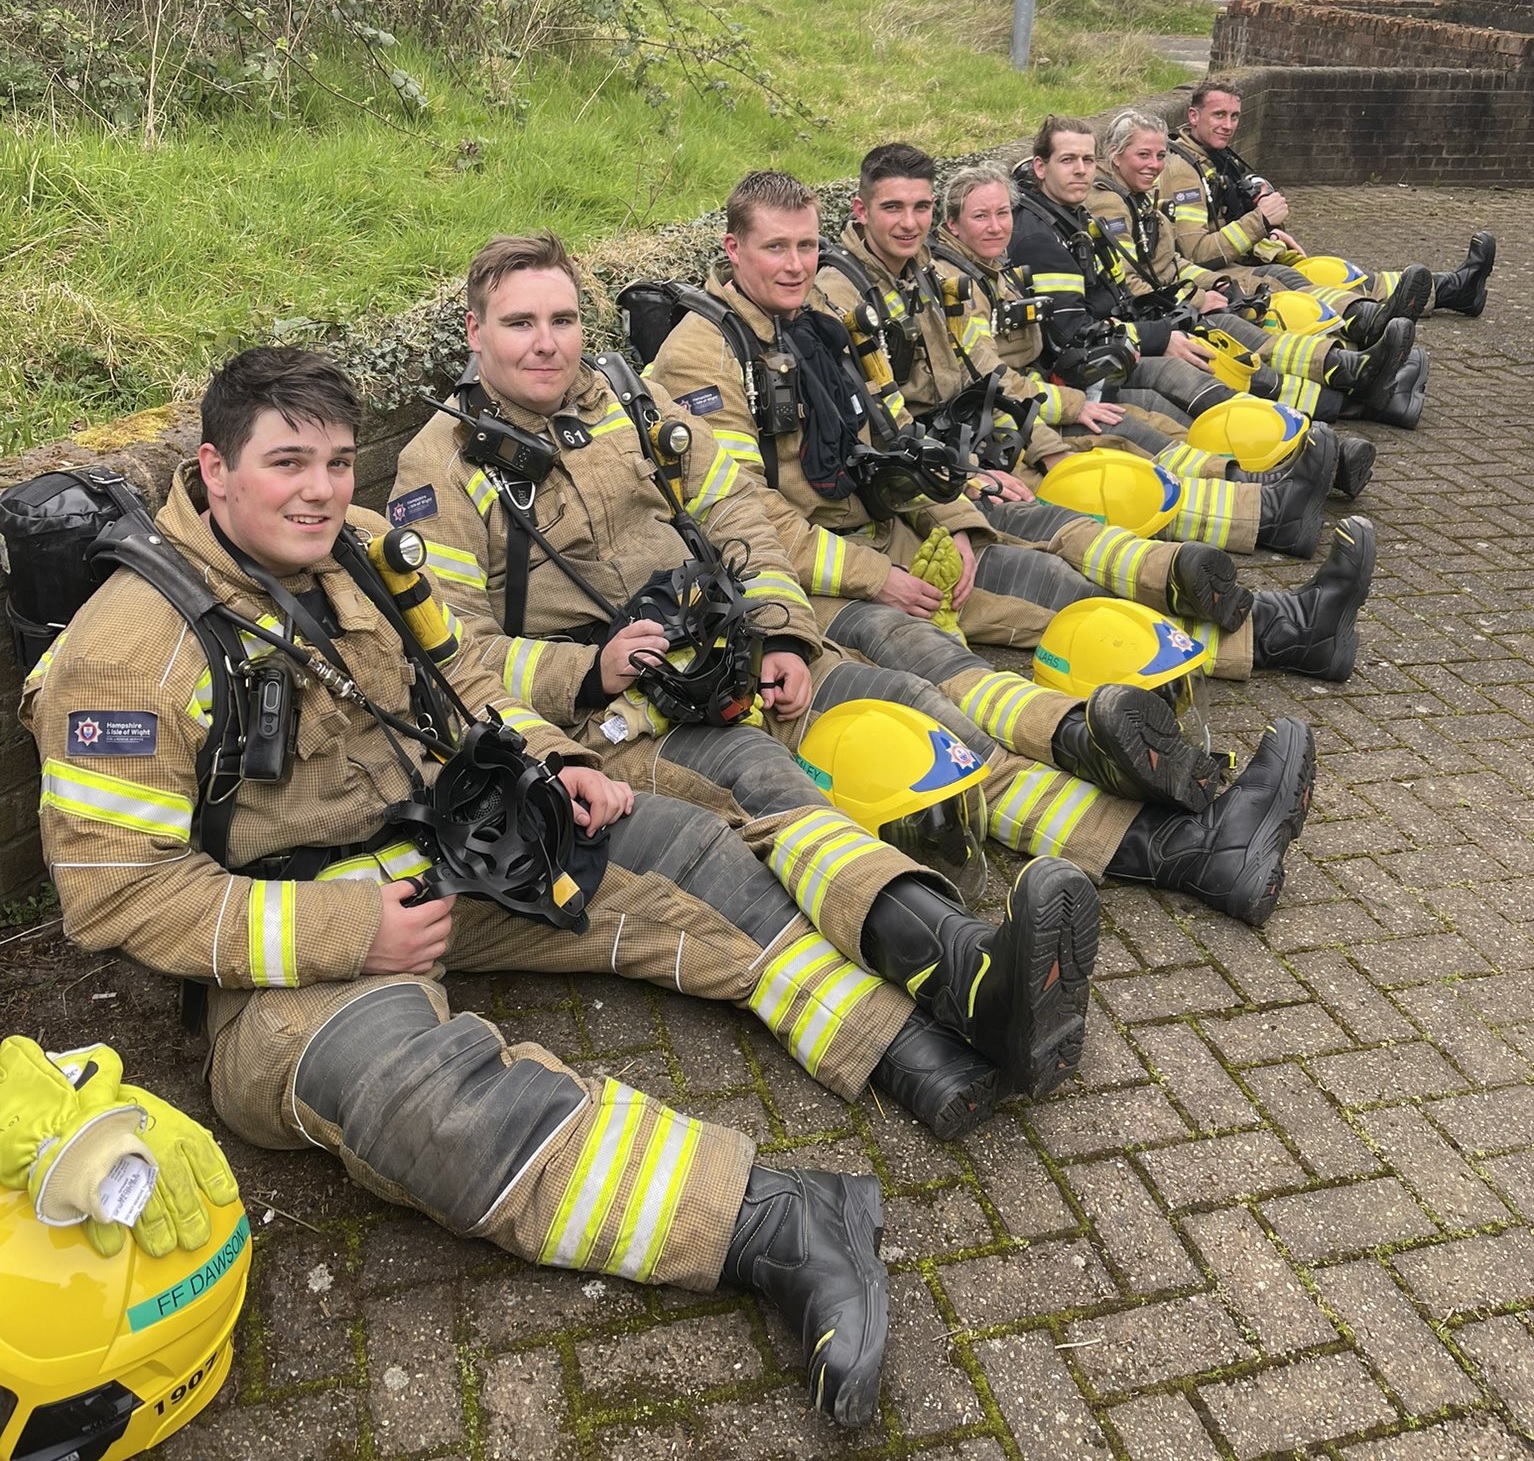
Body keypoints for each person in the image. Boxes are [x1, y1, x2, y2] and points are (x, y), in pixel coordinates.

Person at [22, 346, 1119, 1427]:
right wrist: (348, 931)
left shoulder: (365, 549)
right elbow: (120, 896)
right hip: (285, 939)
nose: (320, 492)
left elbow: (465, 680)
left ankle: (936, 1015)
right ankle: (779, 1224)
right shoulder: (124, 656)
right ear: (212, 472)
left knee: (688, 850)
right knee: (420, 1097)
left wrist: (553, 761)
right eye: (287, 464)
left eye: (337, 462)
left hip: (440, 846)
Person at [389, 230, 1317, 930]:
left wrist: (783, 630)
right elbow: (451, 649)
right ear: (475, 333)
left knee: (935, 718)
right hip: (619, 710)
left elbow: (736, 512)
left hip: (733, 649)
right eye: (520, 324)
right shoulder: (440, 465)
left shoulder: (632, 399)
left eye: (561, 320)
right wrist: (588, 674)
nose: (547, 344)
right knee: (780, 793)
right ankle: (958, 955)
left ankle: (1191, 847)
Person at [936, 158, 1374, 560]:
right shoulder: (966, 278)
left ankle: (1288, 471)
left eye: (1001, 214)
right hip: (1013, 418)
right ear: (952, 224)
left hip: (1044, 390)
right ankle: (1269, 505)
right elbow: (996, 378)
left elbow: (1137, 283)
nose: (996, 226)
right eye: (980, 216)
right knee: (1125, 440)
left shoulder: (1000, 261)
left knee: (1160, 419)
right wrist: (1077, 401)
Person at [1007, 118, 1417, 431]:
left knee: (1229, 322)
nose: (1081, 170)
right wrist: (1164, 330)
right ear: (1041, 167)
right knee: (1204, 356)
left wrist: (1193, 297)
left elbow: (1146, 276)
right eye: (1068, 160)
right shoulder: (1057, 228)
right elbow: (1074, 330)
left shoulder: (1075, 214)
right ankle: (1333, 404)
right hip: (1087, 362)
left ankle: (1355, 382)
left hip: (1125, 329)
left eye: (1085, 160)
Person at [1160, 77, 1496, 326]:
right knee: (1289, 282)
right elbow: (1198, 254)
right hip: (1213, 272)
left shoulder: (1213, 155)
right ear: (1193, 115)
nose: (1229, 125)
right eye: (1219, 115)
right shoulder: (1182, 171)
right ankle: (1375, 319)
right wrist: (1260, 222)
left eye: (1234, 117)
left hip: (1248, 253)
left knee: (1331, 271)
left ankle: (1454, 289)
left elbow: (1234, 202)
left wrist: (1268, 228)